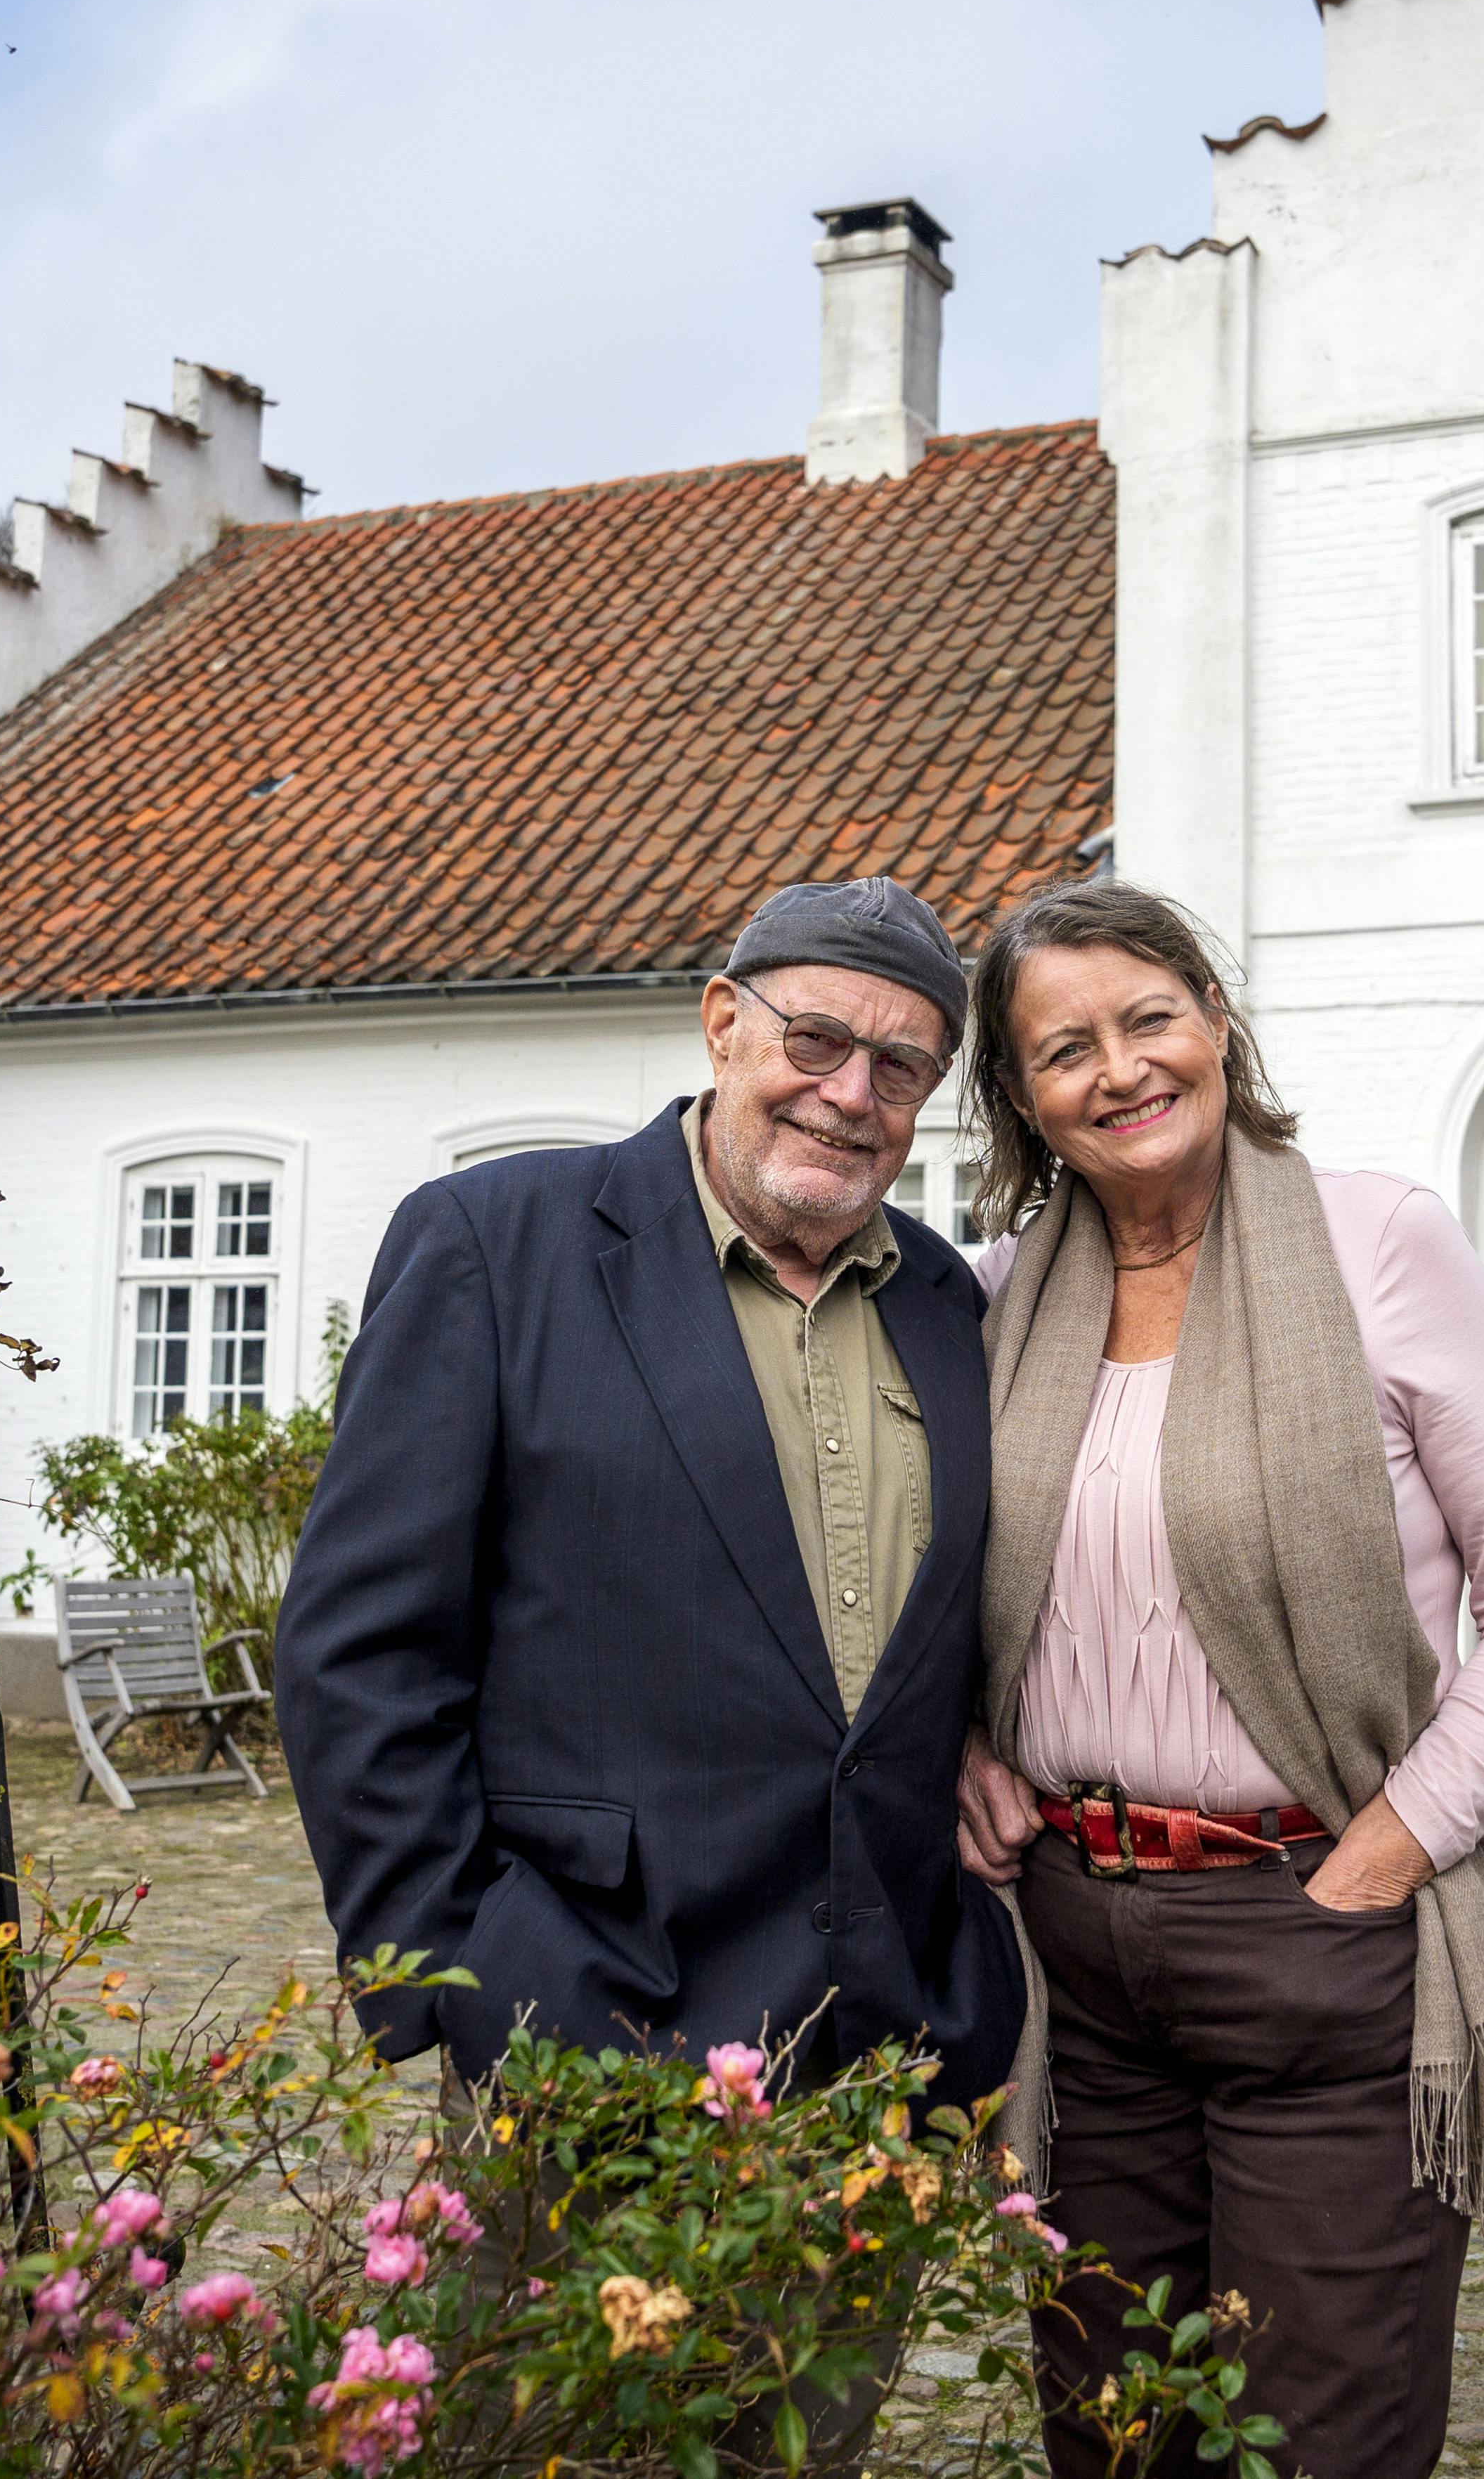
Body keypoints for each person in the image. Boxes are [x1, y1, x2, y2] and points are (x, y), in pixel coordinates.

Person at [951, 881, 1484, 2479]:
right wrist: (963, 1741)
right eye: (1065, 1049)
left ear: (1217, 1020)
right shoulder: (996, 1294)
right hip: (1073, 1957)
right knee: (1111, 2428)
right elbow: (956, 1583)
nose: (1120, 1068)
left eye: (1149, 1018)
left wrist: (1387, 1848)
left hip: (1319, 1932)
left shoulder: (1379, 1243)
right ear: (1021, 1098)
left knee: (1318, 2434)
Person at [277, 874, 1026, 2121]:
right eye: (817, 1039)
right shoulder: (494, 1242)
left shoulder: (946, 1301)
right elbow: (360, 1650)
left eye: (901, 1067)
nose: (852, 1093)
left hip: (891, 2041)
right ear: (724, 1021)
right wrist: (457, 1973)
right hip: (587, 2024)